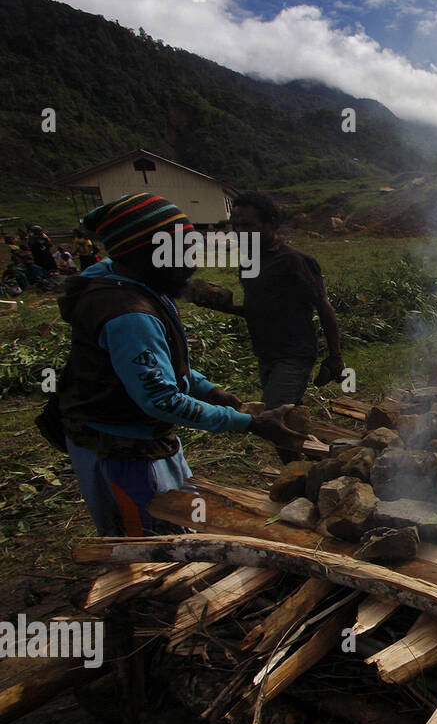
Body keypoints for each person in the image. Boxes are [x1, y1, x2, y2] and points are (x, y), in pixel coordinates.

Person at [55, 193, 305, 536]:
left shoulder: (133, 282)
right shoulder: (128, 313)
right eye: (183, 249)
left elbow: (163, 364)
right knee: (150, 540)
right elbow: (161, 399)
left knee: (177, 520)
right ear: (148, 253)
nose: (193, 259)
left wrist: (210, 390)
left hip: (142, 438)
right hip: (120, 448)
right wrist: (248, 424)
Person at [191, 193, 346, 451]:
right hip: (266, 353)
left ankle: (301, 471)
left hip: (294, 354)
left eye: (248, 225)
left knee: (274, 419)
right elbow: (258, 309)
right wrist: (228, 308)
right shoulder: (249, 259)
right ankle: (312, 468)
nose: (240, 231)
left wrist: (335, 356)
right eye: (236, 226)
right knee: (289, 416)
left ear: (271, 224)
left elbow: (323, 306)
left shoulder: (294, 261)